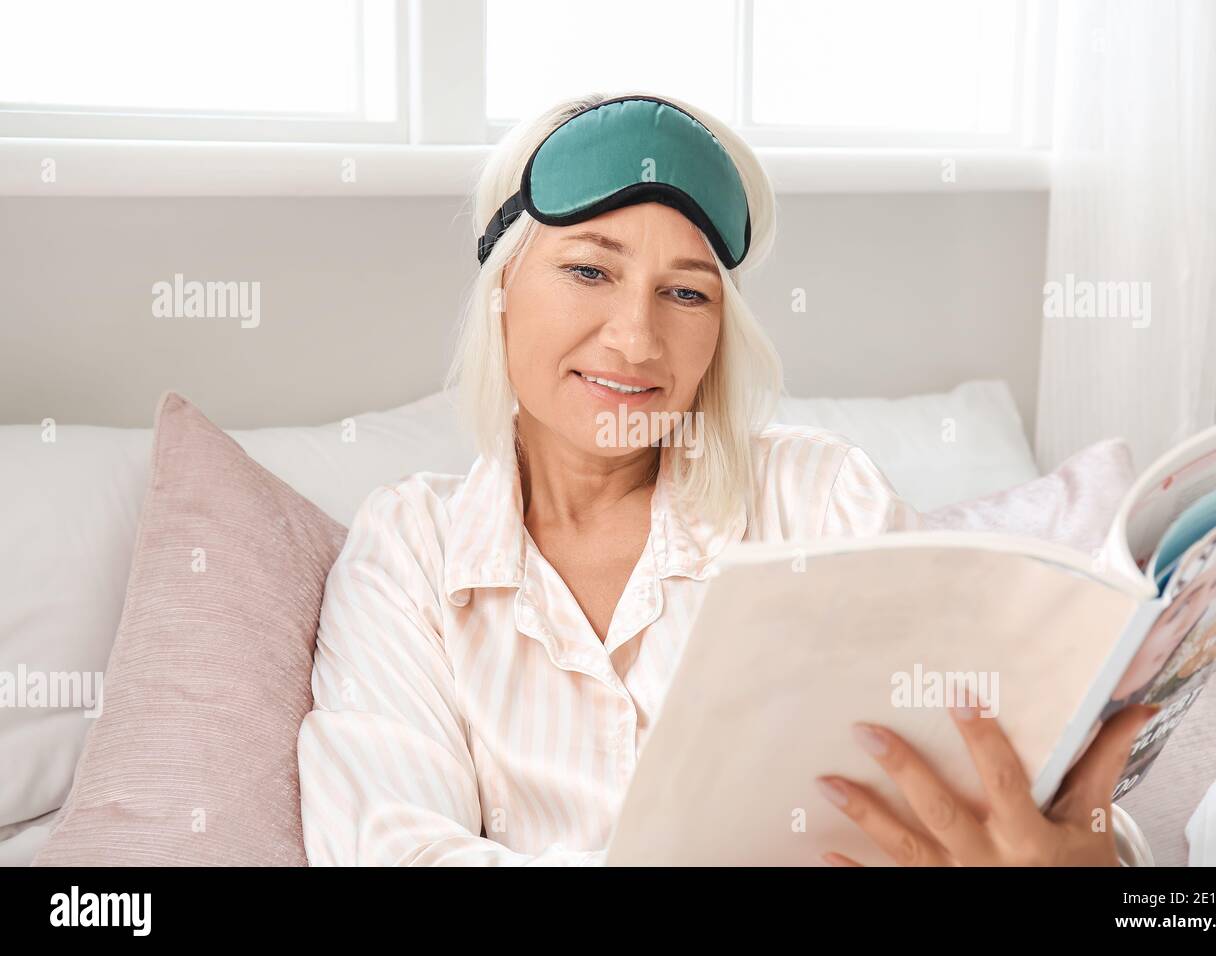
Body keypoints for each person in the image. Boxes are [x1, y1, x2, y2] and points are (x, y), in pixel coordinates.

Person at [296, 91, 1153, 866]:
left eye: (686, 294)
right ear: (502, 289)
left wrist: (1087, 862)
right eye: (589, 271)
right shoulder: (410, 553)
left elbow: (997, 777)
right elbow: (392, 851)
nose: (635, 339)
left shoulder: (822, 502)